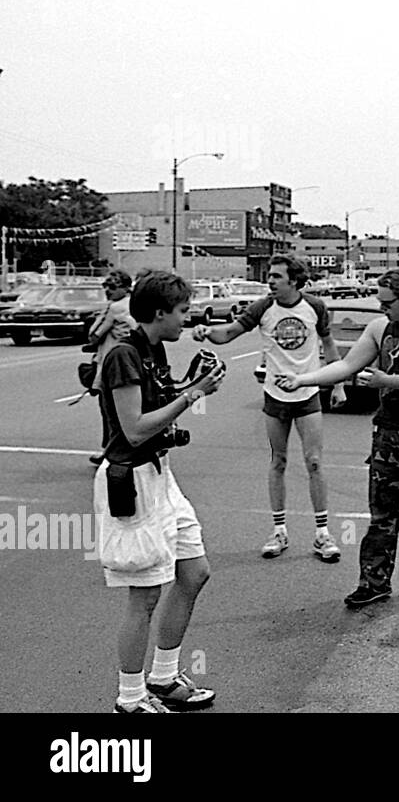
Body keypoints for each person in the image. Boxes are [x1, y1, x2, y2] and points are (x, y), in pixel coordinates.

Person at [279, 268, 399, 608]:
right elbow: (346, 366)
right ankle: (374, 580)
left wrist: (386, 381)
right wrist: (304, 380)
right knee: (382, 510)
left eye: (387, 301)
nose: (382, 307)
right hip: (389, 429)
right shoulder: (380, 328)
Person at [96, 269, 226, 712]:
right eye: (183, 311)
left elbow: (159, 406)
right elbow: (133, 430)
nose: (187, 320)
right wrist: (194, 395)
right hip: (133, 478)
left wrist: (190, 382)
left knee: (194, 572)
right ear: (158, 312)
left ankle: (165, 676)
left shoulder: (153, 349)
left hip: (160, 474)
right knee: (145, 594)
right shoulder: (123, 356)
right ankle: (130, 699)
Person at [193, 254, 344, 563]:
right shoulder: (263, 307)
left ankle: (322, 534)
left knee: (314, 462)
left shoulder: (315, 306)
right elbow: (229, 333)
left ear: (293, 279)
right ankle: (279, 531)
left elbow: (329, 346)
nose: (270, 281)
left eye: (276, 276)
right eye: (270, 276)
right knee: (278, 461)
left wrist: (338, 384)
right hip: (275, 395)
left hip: (308, 394)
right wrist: (207, 332)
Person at [88, 268, 137, 466]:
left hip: (110, 363)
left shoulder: (116, 307)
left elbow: (94, 335)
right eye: (105, 286)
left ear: (125, 288)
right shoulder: (135, 305)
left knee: (109, 409)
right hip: (130, 362)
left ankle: (109, 449)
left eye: (113, 286)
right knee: (128, 409)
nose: (108, 290)